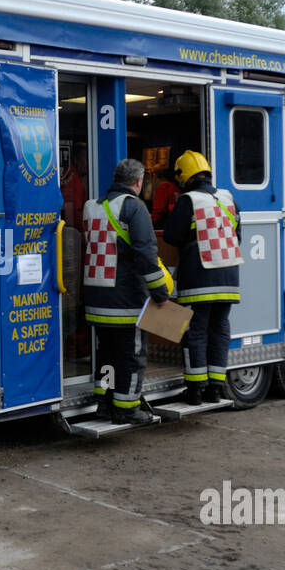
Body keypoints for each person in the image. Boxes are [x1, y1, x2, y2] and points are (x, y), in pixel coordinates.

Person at [83, 158, 173, 425]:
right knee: (131, 356)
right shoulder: (134, 208)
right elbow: (146, 255)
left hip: (97, 296)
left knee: (106, 353)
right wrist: (160, 294)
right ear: (138, 181)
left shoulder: (92, 206)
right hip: (126, 300)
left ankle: (104, 401)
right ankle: (126, 408)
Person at [163, 150, 243, 405]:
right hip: (229, 277)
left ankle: (196, 390)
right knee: (220, 331)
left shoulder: (189, 200)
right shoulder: (228, 197)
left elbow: (171, 236)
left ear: (184, 175)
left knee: (196, 331)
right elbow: (237, 235)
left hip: (199, 277)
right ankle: (216, 389)